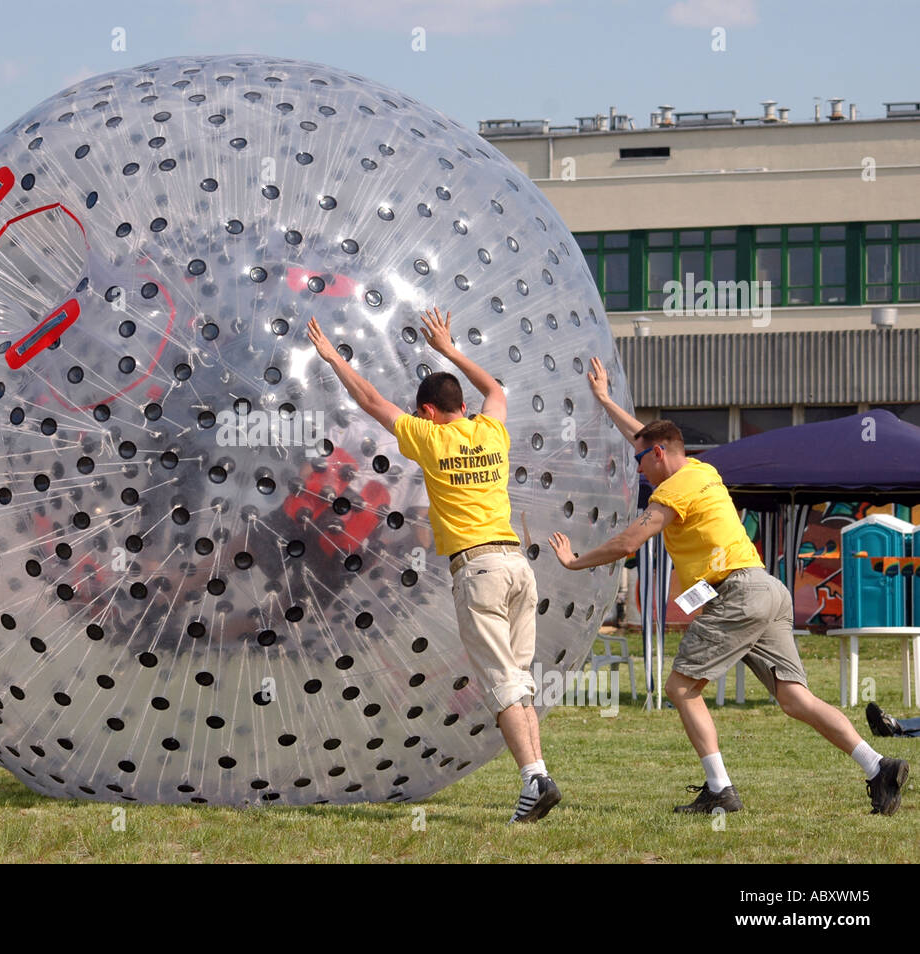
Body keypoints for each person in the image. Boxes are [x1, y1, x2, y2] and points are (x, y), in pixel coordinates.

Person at [547, 356, 909, 816]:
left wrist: (576, 561)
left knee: (680, 689)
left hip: (737, 593)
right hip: (765, 588)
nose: (639, 470)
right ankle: (878, 766)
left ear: (660, 456)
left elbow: (628, 542)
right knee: (796, 699)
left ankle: (720, 789)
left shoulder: (671, 490)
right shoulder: (701, 470)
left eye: (641, 462)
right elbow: (647, 438)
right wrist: (605, 400)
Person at [307, 308, 560, 823]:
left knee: (502, 685)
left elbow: (371, 401)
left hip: (480, 571)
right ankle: (540, 775)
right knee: (519, 681)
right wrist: (448, 348)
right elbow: (496, 389)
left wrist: (335, 358)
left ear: (427, 411)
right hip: (517, 565)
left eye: (420, 413)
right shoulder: (491, 430)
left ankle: (534, 780)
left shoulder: (429, 438)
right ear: (461, 406)